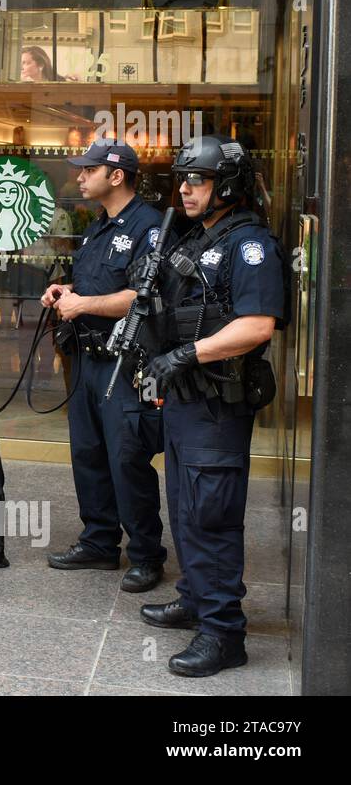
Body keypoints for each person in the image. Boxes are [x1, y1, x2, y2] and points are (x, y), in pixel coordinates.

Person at [139, 136, 286, 678]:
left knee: (212, 516)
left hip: (217, 404)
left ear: (224, 186)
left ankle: (224, 633)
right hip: (185, 402)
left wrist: (184, 355)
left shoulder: (250, 245)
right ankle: (197, 599)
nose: (184, 188)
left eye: (195, 180)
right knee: (184, 508)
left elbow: (256, 325)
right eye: (183, 179)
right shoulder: (200, 237)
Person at [41, 139, 168, 592]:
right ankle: (98, 541)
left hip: (126, 366)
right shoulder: (100, 226)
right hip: (87, 359)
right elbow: (97, 282)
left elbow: (142, 295)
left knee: (126, 457)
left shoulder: (149, 228)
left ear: (116, 176)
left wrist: (83, 304)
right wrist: (64, 291)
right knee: (88, 453)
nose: (79, 176)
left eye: (88, 169)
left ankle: (146, 555)